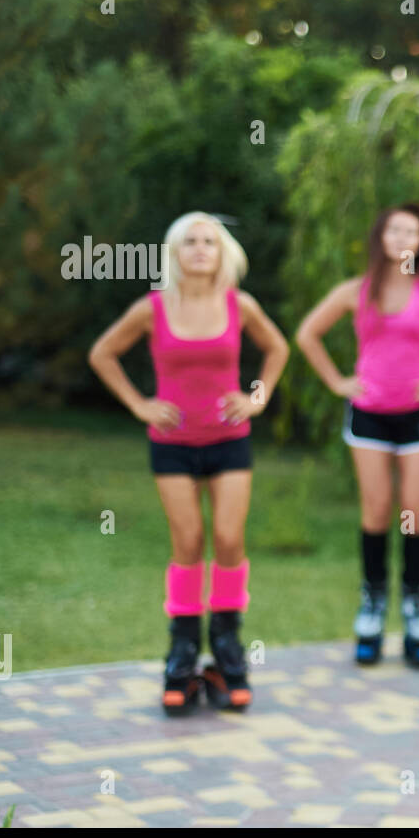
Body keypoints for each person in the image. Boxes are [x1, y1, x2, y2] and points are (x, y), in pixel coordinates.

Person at [88, 212, 290, 715]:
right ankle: (181, 653)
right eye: (190, 242)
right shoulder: (152, 308)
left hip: (230, 441)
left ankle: (225, 651)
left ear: (223, 253)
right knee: (188, 542)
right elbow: (103, 354)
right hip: (173, 444)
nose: (200, 249)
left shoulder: (239, 305)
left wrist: (258, 398)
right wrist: (140, 405)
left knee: (226, 538)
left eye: (209, 242)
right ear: (174, 253)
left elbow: (277, 348)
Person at [295, 202, 419, 668]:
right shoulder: (356, 291)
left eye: (412, 232)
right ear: (381, 237)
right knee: (378, 509)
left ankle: (416, 607)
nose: (403, 238)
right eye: (395, 230)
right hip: (368, 415)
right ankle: (372, 606)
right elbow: (307, 334)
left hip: (418, 416)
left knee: (414, 511)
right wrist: (337, 381)